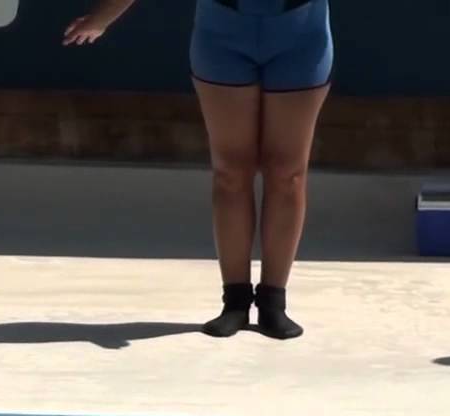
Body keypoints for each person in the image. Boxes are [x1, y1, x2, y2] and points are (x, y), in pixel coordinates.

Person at [64, 0, 332, 340]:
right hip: (222, 35)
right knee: (230, 171)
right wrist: (102, 18)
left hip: (301, 37)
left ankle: (273, 301)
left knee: (288, 174)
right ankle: (235, 300)